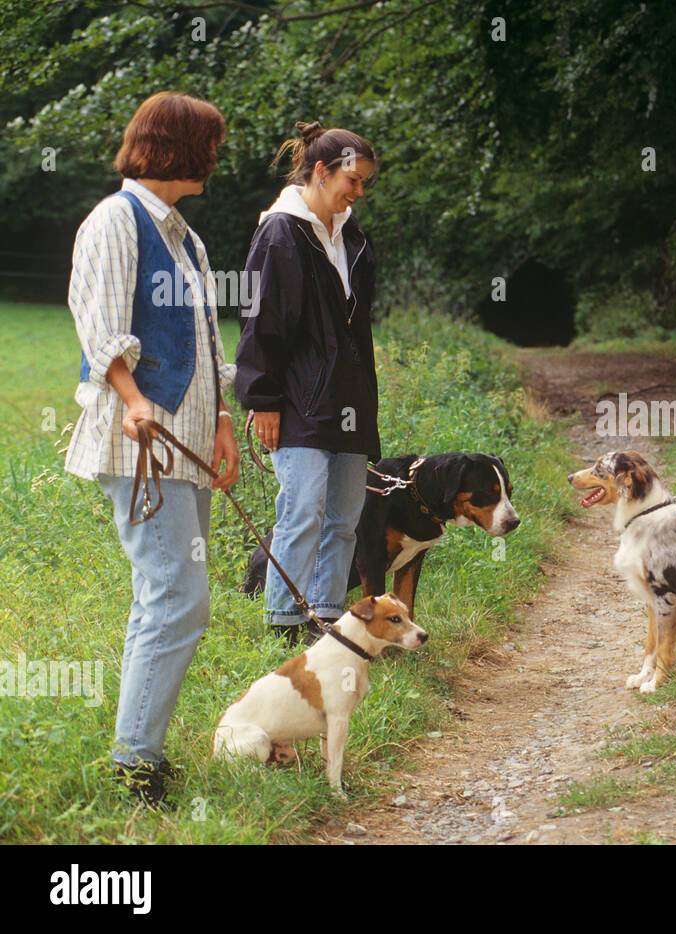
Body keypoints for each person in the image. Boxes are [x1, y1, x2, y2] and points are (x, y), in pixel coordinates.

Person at [65, 91, 238, 805]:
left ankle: (139, 753)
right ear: (178, 146)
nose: (217, 158)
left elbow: (205, 334)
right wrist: (135, 401)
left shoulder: (185, 236)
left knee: (164, 599)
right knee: (179, 601)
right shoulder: (116, 220)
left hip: (189, 442)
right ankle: (136, 766)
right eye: (211, 144)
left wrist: (223, 421)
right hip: (139, 441)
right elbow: (96, 321)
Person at [235, 121, 380, 644]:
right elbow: (261, 320)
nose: (358, 194)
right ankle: (283, 624)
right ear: (321, 171)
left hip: (351, 399)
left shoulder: (352, 238)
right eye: (353, 180)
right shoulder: (280, 231)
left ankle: (323, 619)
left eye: (365, 183)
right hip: (296, 399)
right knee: (302, 513)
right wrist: (262, 398)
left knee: (344, 518)